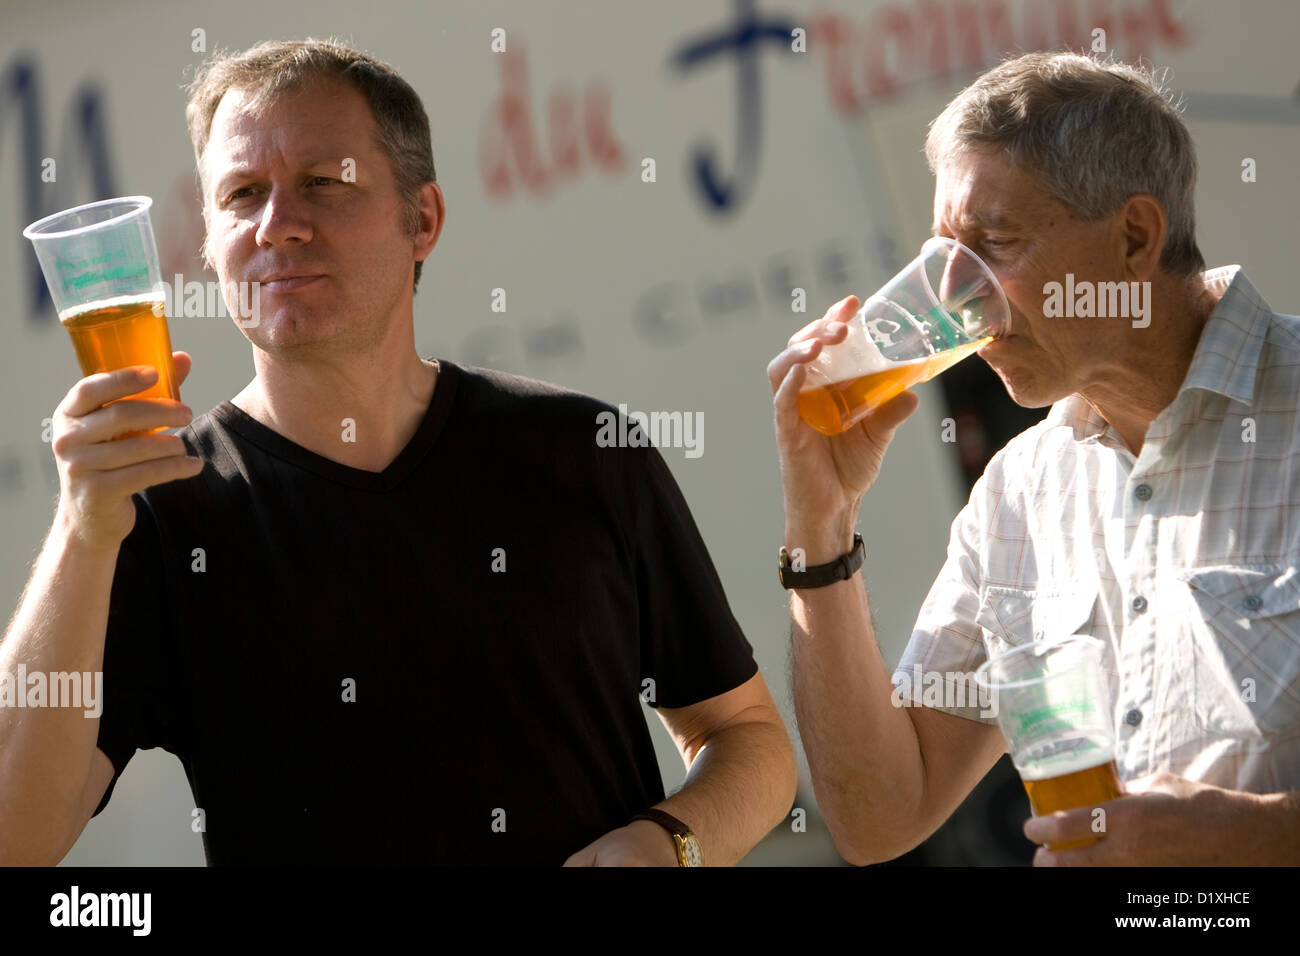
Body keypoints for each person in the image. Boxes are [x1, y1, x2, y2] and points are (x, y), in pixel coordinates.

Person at [0, 38, 795, 866]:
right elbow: (14, 840)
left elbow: (745, 738)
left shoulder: (583, 448)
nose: (279, 224)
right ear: (209, 243)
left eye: (324, 181)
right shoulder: (155, 515)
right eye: (242, 194)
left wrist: (666, 843)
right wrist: (81, 531)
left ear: (423, 220)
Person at [768, 51, 1300, 865]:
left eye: (994, 246)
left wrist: (1263, 837)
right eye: (948, 254)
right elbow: (881, 815)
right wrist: (822, 520)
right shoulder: (1022, 490)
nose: (958, 296)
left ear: (1134, 238)